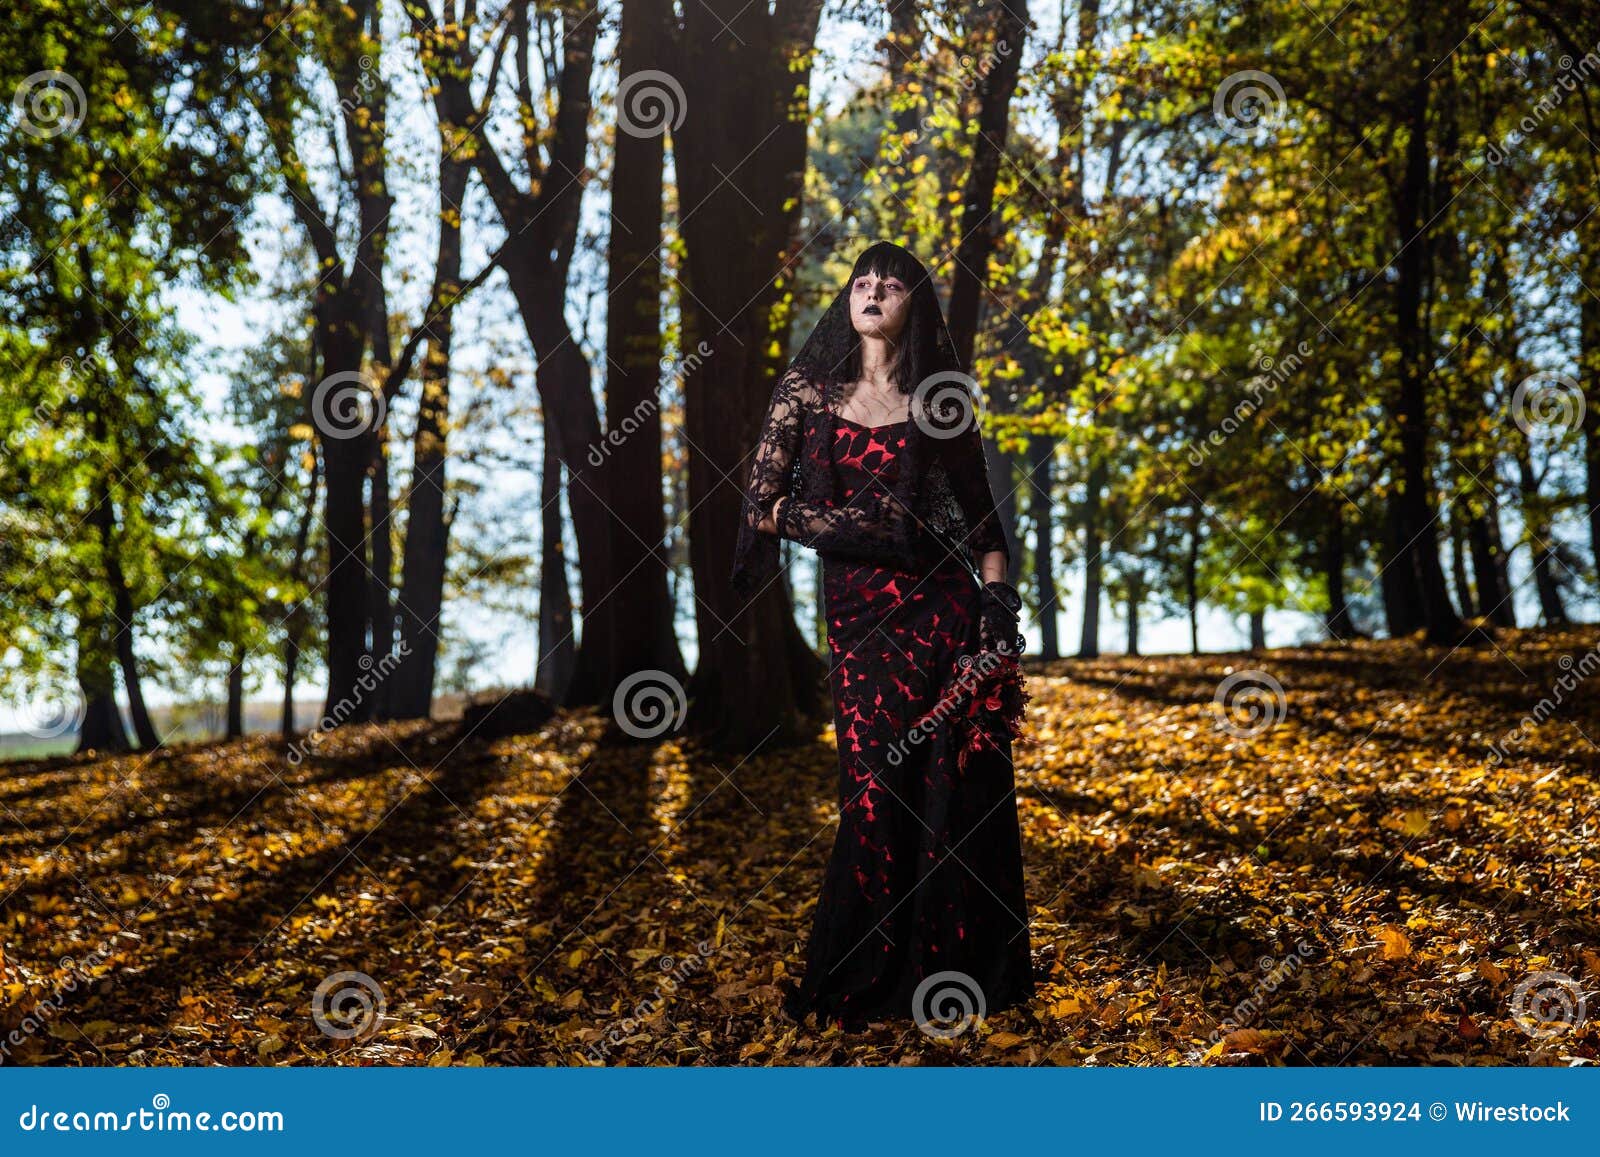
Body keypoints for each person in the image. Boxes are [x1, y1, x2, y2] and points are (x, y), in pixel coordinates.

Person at [730, 240, 1035, 1031]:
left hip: (945, 609)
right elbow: (760, 505)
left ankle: (956, 977)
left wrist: (996, 615)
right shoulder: (807, 392)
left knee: (954, 783)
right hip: (861, 619)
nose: (872, 293)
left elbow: (986, 529)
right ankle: (865, 972)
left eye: (889, 285)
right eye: (862, 282)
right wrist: (857, 526)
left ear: (914, 306)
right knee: (872, 788)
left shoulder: (942, 399)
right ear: (849, 301)